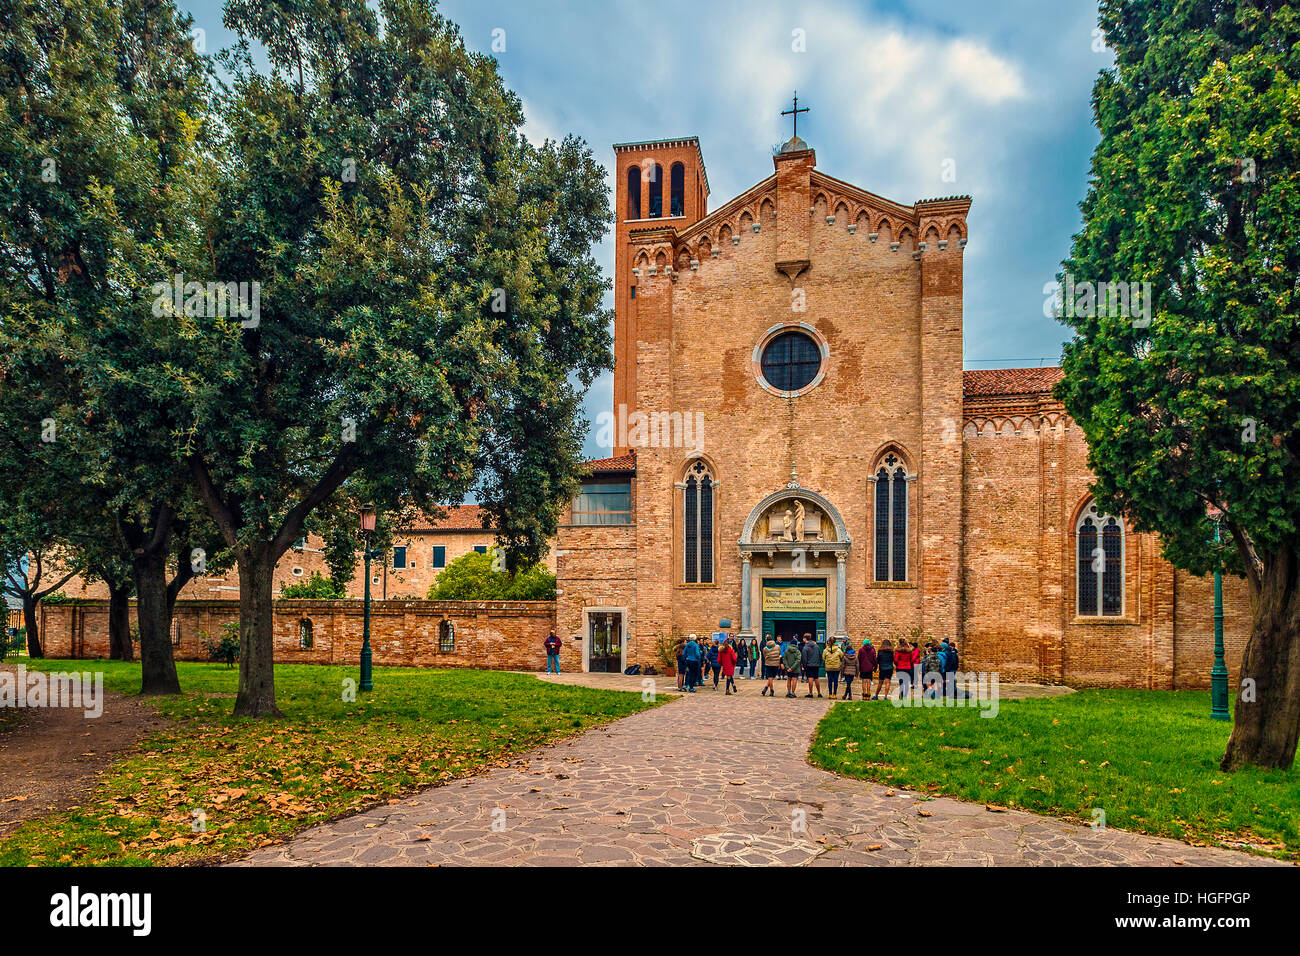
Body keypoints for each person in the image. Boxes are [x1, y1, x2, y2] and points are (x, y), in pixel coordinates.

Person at [801, 633, 822, 698]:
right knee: (816, 678)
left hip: (809, 665)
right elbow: (820, 656)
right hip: (816, 665)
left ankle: (810, 693)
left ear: (805, 639)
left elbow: (804, 658)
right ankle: (819, 693)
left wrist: (804, 665)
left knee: (810, 678)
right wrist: (819, 663)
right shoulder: (817, 646)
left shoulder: (805, 647)